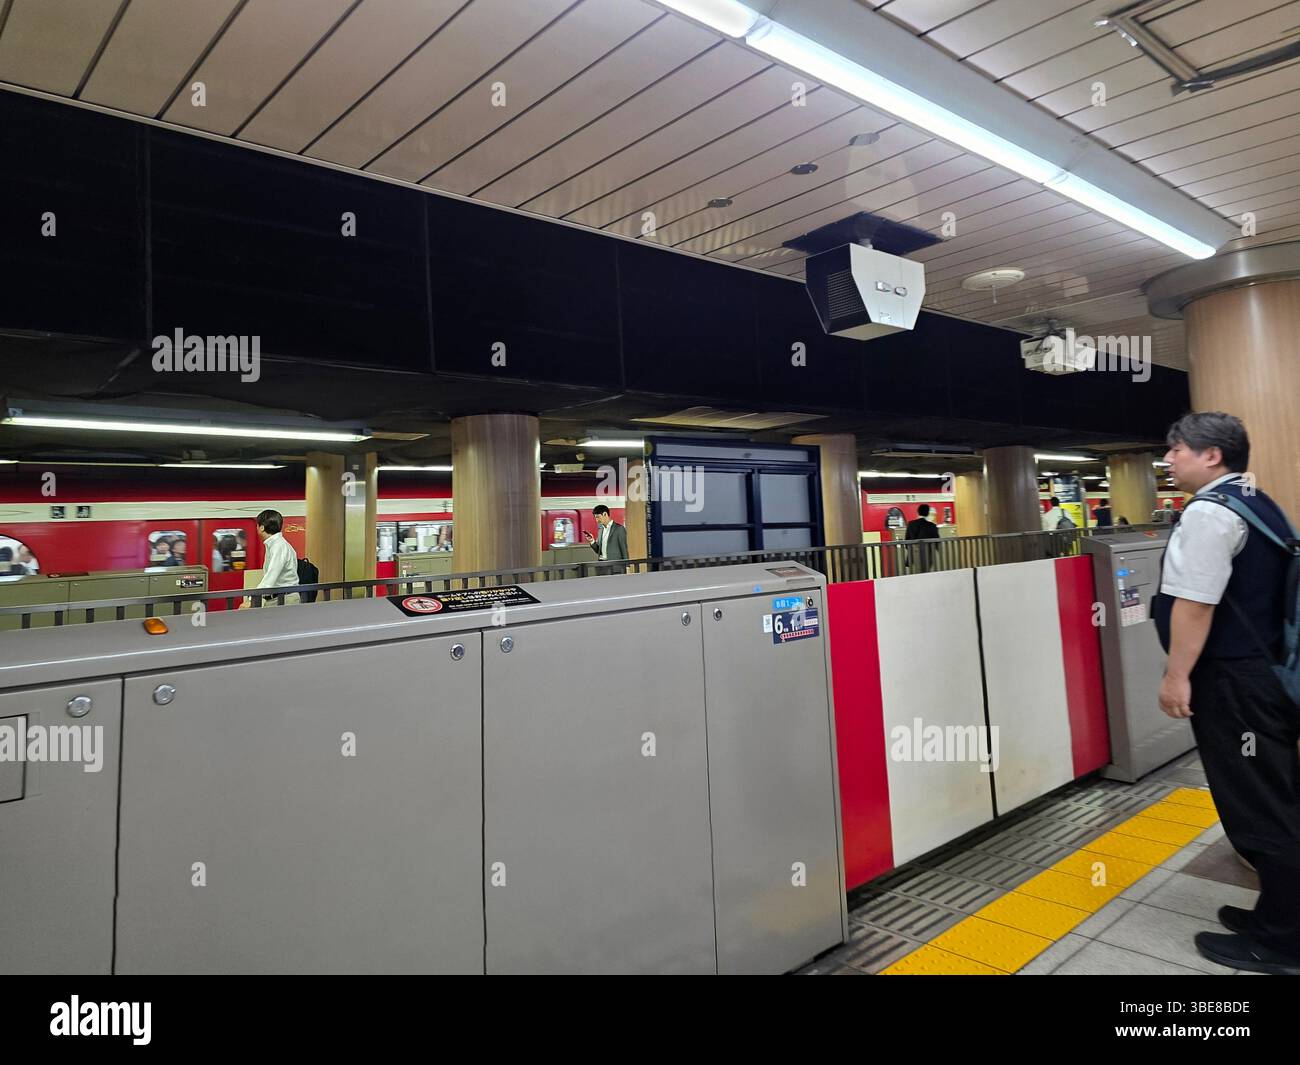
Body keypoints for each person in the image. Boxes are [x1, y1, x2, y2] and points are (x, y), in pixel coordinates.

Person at [1151, 411, 1300, 975]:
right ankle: (1277, 914)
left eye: (1177, 449)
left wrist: (1176, 675)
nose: (1169, 458)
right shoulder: (1257, 500)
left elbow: (1195, 603)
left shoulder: (1211, 514)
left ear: (1211, 456)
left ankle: (1284, 943)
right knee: (1276, 794)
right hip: (1264, 675)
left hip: (1235, 683)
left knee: (1261, 808)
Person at [242, 509, 300, 608]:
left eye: (257, 525)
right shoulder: (274, 545)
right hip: (278, 598)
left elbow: (270, 578)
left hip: (284, 599)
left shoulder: (278, 546)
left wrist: (251, 600)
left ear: (262, 528)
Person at [904, 504, 941, 573]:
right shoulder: (932, 526)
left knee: (914, 575)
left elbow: (907, 540)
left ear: (918, 512)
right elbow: (937, 542)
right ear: (928, 513)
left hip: (912, 556)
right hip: (927, 557)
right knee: (925, 574)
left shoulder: (911, 524)